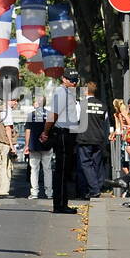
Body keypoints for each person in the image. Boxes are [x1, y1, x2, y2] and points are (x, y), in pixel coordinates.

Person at [40, 71, 82, 214]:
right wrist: (46, 132)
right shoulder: (61, 92)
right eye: (71, 80)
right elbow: (54, 114)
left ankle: (62, 203)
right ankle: (59, 205)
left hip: (68, 133)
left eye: (75, 80)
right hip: (63, 133)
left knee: (66, 170)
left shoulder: (69, 92)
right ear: (63, 79)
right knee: (62, 170)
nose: (74, 82)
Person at [75, 80, 109, 199]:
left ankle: (94, 189)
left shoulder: (81, 104)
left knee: (85, 164)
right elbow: (105, 122)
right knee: (97, 164)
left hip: (85, 138)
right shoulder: (103, 105)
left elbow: (76, 119)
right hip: (98, 138)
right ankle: (98, 186)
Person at [25, 94, 54, 200]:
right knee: (47, 169)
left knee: (34, 169)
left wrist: (26, 145)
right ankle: (49, 193)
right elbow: (53, 130)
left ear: (37, 103)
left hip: (34, 145)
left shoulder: (31, 115)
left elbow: (28, 131)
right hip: (47, 145)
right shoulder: (50, 115)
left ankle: (34, 192)